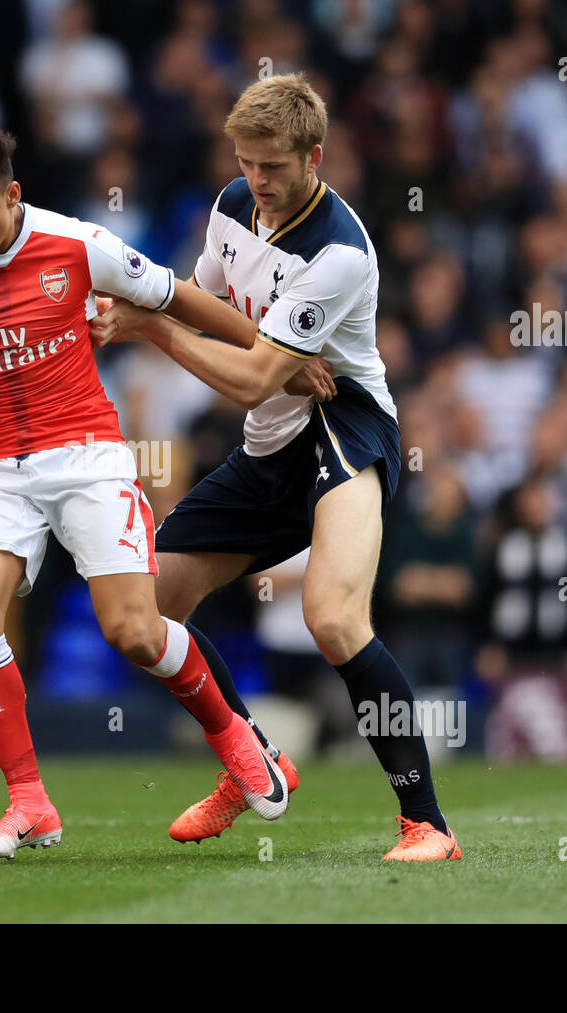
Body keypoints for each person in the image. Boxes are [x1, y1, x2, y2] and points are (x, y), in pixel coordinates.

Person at [0, 124, 300, 862]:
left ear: (13, 194)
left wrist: (276, 356)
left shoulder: (79, 245)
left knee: (133, 631)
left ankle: (236, 739)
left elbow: (180, 298)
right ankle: (29, 801)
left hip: (88, 456)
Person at [92, 74, 462, 860]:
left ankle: (427, 822)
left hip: (344, 427)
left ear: (314, 156)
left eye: (273, 167)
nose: (257, 180)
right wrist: (156, 310)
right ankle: (252, 755)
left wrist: (151, 333)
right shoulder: (233, 205)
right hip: (271, 437)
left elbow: (248, 376)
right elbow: (204, 300)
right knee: (146, 606)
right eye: (246, 162)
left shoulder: (339, 251)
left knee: (331, 617)